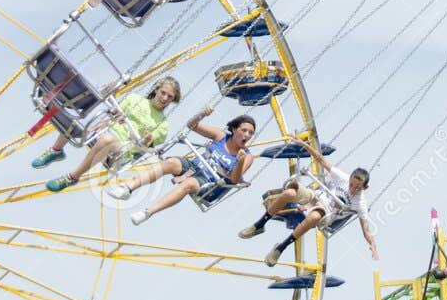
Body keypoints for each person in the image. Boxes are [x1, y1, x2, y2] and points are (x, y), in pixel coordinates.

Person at [239, 139, 378, 266]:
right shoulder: (344, 178)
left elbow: (366, 230)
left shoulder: (361, 203)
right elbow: (320, 159)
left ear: (365, 188)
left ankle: (281, 248)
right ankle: (259, 225)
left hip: (326, 213)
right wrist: (305, 145)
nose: (352, 189)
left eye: (357, 188)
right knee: (289, 192)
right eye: (351, 184)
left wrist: (372, 245)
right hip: (316, 197)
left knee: (315, 216)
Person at [111, 106, 255, 226]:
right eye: (244, 130)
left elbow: (235, 179)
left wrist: (240, 161)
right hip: (195, 167)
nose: (247, 135)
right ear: (235, 129)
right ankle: (128, 189)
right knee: (171, 163)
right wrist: (201, 115)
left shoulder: (247, 156)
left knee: (189, 183)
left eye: (250, 133)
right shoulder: (221, 136)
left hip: (211, 185)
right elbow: (192, 126)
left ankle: (147, 212)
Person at [38, 76, 181, 192]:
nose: (164, 98)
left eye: (169, 97)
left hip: (123, 150)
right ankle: (56, 150)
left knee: (107, 139)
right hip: (107, 132)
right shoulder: (134, 99)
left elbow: (145, 147)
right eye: (163, 93)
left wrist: (147, 139)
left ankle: (72, 177)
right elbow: (112, 116)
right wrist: (98, 124)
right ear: (156, 89)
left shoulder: (163, 125)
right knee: (81, 116)